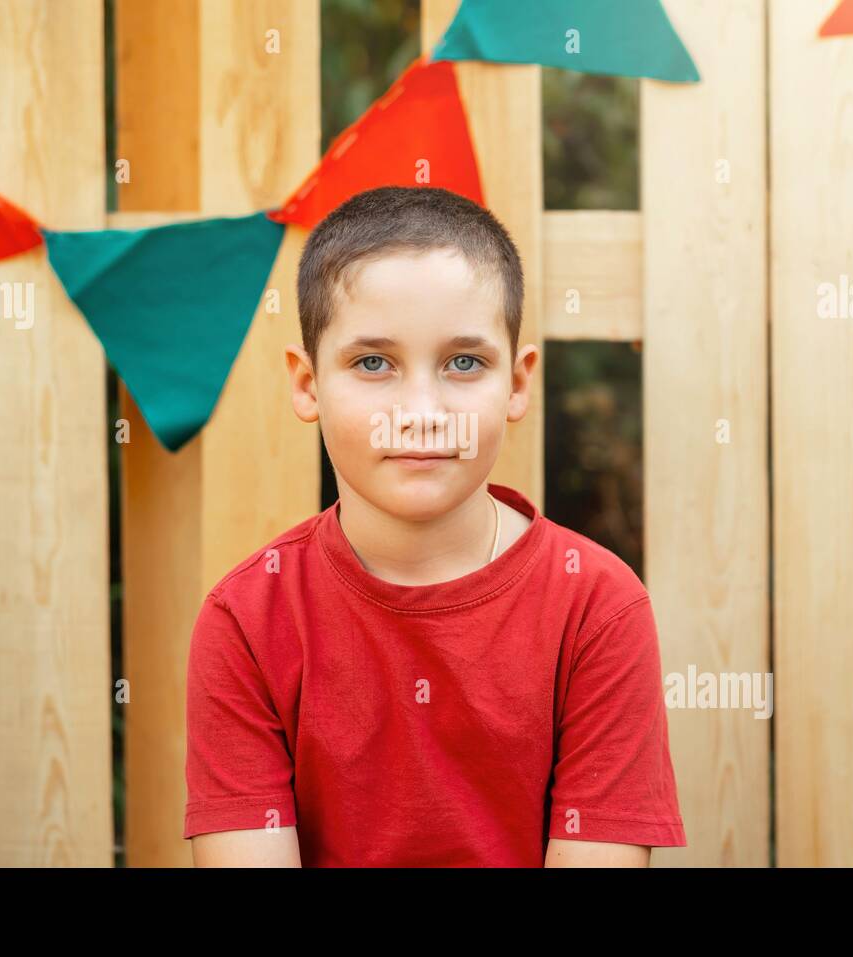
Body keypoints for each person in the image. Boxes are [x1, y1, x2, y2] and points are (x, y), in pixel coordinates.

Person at [184, 185, 685, 867]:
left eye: (463, 363)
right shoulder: (246, 619)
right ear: (307, 384)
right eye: (373, 363)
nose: (421, 412)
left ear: (517, 384)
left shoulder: (597, 607)